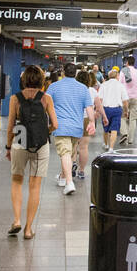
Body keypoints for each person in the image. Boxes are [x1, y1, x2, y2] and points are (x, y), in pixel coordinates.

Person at [5, 64, 58, 240]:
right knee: (34, 186)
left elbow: (11, 127)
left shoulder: (15, 98)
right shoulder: (46, 98)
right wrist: (44, 131)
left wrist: (8, 147)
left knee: (17, 181)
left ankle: (17, 220)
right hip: (40, 145)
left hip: (20, 141)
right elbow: (55, 125)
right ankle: (28, 229)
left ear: (24, 79)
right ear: (42, 81)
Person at [45, 62, 93, 196]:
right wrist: (92, 122)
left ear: (63, 73)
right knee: (70, 153)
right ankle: (62, 177)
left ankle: (69, 182)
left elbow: (45, 104)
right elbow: (89, 108)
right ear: (75, 73)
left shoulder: (54, 86)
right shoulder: (83, 88)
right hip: (77, 127)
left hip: (60, 126)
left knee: (65, 153)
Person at [74, 70, 98, 179]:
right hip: (87, 119)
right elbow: (98, 105)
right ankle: (81, 170)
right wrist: (104, 116)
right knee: (83, 147)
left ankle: (72, 164)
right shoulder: (92, 91)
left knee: (73, 146)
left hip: (74, 119)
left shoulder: (73, 89)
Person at [97, 67, 127, 151]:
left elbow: (100, 99)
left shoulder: (103, 85)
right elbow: (125, 101)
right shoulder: (121, 85)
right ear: (117, 76)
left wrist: (98, 110)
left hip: (106, 110)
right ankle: (111, 148)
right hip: (117, 110)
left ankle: (106, 144)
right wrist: (126, 111)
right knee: (114, 129)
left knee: (106, 129)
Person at [118, 55, 137, 144]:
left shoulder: (123, 71)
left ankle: (124, 133)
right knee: (133, 119)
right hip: (134, 98)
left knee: (122, 117)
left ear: (127, 63)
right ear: (134, 63)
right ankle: (130, 140)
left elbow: (119, 85)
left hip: (124, 98)